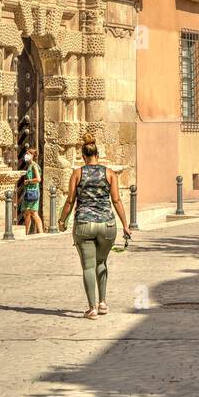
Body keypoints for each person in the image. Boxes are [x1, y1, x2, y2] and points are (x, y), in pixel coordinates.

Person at [58, 135, 131, 318]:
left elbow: (69, 200)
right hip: (107, 224)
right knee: (101, 262)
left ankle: (91, 309)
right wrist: (126, 225)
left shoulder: (78, 173)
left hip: (84, 224)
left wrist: (62, 220)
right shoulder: (110, 174)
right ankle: (103, 303)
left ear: (83, 156)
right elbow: (116, 200)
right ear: (97, 155)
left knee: (88, 266)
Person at [18, 146, 44, 234]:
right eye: (26, 154)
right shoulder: (30, 165)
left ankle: (41, 232)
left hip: (33, 191)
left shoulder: (34, 166)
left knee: (33, 213)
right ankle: (26, 232)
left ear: (33, 155)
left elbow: (38, 179)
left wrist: (28, 181)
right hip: (29, 191)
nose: (26, 156)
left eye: (28, 154)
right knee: (27, 214)